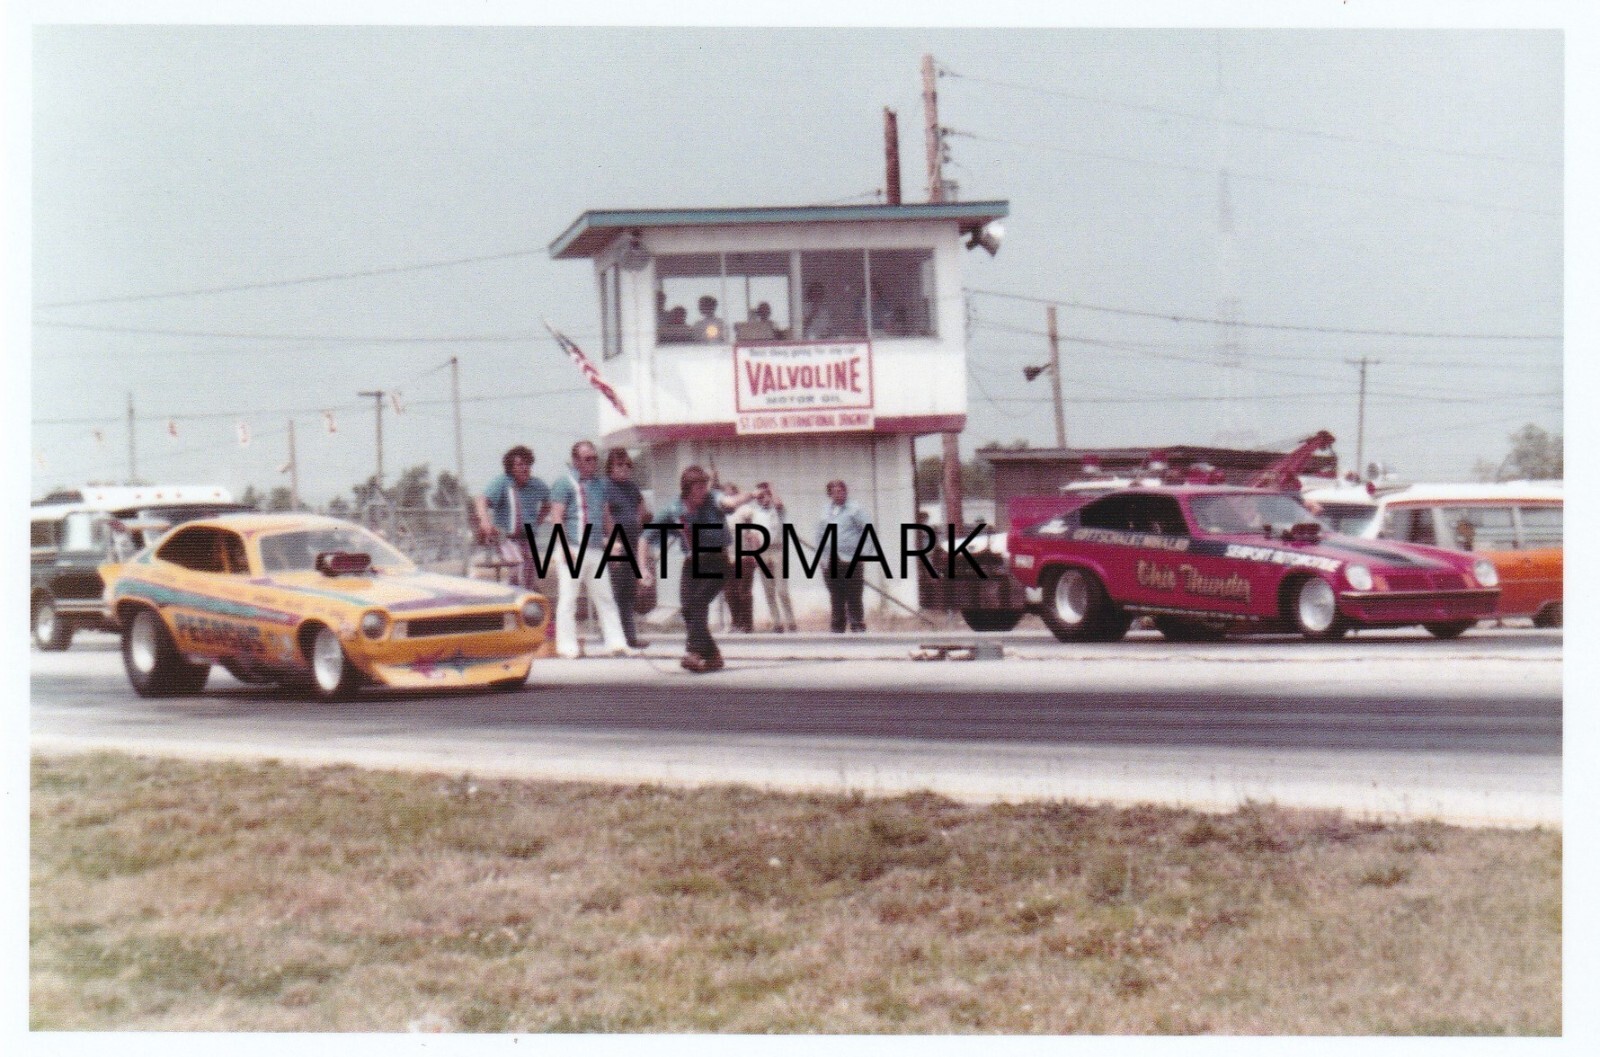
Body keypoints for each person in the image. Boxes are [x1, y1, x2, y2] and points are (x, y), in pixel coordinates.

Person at [657, 467, 757, 672]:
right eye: (699, 486)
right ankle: (713, 655)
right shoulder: (675, 508)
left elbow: (730, 502)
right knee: (687, 608)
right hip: (692, 562)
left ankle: (693, 652)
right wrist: (643, 567)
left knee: (698, 601)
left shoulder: (713, 498)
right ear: (687, 489)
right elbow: (648, 535)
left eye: (705, 485)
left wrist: (751, 495)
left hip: (717, 560)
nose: (704, 490)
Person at [546, 441, 632, 659]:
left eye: (594, 458)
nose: (592, 463)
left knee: (606, 597)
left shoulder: (600, 485)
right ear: (576, 461)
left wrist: (614, 543)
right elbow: (557, 517)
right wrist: (564, 547)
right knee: (569, 599)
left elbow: (606, 516)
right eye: (587, 459)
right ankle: (567, 646)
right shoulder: (564, 484)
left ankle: (616, 644)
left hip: (595, 549)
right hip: (573, 548)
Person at [473, 445, 549, 588]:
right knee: (517, 565)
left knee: (529, 571)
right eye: (520, 465)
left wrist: (537, 521)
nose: (525, 468)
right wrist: (485, 522)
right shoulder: (502, 482)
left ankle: (524, 595)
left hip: (528, 538)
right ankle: (509, 593)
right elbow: (481, 501)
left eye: (528, 464)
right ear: (511, 468)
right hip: (506, 538)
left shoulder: (537, 484)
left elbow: (548, 504)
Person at [602, 446, 652, 650]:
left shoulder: (632, 488)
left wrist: (641, 521)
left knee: (629, 592)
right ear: (611, 467)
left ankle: (629, 636)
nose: (624, 468)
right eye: (619, 465)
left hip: (633, 543)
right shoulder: (605, 487)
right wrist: (614, 543)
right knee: (615, 592)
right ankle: (615, 636)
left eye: (627, 465)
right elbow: (605, 516)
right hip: (616, 545)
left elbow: (643, 511)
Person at [818, 478, 871, 633]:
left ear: (845, 492)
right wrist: (821, 557)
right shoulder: (826, 510)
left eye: (841, 491)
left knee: (854, 594)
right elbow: (820, 534)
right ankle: (837, 627)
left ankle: (857, 625)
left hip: (850, 559)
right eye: (834, 492)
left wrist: (864, 554)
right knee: (836, 595)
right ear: (830, 494)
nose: (838, 494)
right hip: (830, 559)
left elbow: (868, 531)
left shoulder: (855, 509)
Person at [747, 481, 798, 632]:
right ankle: (777, 623)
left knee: (782, 590)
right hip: (762, 551)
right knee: (768, 590)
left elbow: (779, 503)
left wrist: (770, 487)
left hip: (777, 550)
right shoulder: (754, 513)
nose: (761, 499)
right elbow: (753, 535)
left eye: (764, 496)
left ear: (769, 495)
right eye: (759, 497)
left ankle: (791, 621)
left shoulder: (777, 510)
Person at [720, 481, 755, 633]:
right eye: (725, 492)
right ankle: (736, 622)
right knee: (729, 591)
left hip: (744, 555)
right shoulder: (720, 513)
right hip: (727, 556)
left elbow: (752, 531)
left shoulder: (745, 510)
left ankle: (747, 624)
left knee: (743, 591)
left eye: (730, 492)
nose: (727, 495)